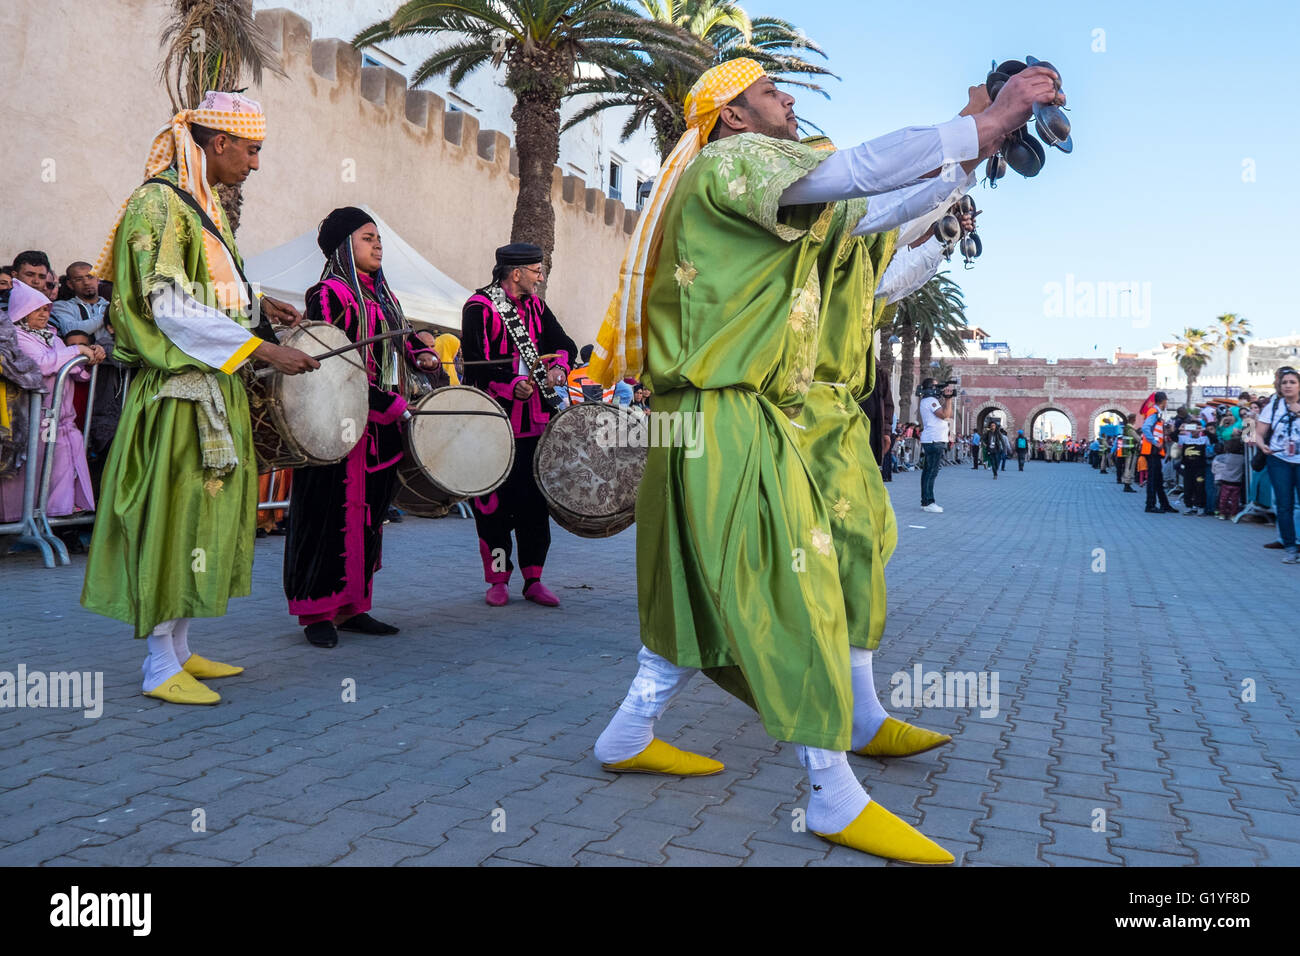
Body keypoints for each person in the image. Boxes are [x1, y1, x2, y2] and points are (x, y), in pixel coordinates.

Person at [586, 57, 1063, 863]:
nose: (789, 98)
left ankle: (626, 733)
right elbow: (859, 171)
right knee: (788, 585)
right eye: (772, 92)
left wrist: (973, 151)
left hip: (727, 414)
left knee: (705, 589)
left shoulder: (759, 190)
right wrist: (982, 123)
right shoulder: (728, 160)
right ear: (731, 115)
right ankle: (832, 794)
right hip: (722, 411)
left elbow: (881, 208)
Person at [80, 91, 318, 706]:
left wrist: (258, 303)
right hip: (177, 399)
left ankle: (180, 648)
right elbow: (167, 304)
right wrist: (264, 350)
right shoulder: (158, 203)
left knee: (198, 521)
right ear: (218, 143)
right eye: (252, 149)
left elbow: (208, 287)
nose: (257, 163)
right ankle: (159, 665)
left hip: (209, 391)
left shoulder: (197, 204)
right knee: (171, 522)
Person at [282, 208, 438, 647]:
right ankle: (316, 611)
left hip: (379, 428)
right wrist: (386, 401)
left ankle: (353, 606)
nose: (378, 245)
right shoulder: (329, 294)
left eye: (379, 239)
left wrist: (421, 355)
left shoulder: (385, 297)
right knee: (327, 517)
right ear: (344, 247)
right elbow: (336, 364)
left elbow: (401, 344)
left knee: (368, 518)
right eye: (368, 238)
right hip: (337, 426)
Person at [461, 242, 576, 607]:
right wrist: (512, 385)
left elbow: (565, 345)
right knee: (493, 504)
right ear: (516, 273)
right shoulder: (479, 307)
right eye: (536, 270)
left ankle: (533, 578)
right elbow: (476, 365)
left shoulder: (538, 308)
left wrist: (558, 367)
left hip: (536, 424)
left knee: (533, 503)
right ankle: (498, 579)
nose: (540, 276)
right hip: (495, 423)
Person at [0, 281, 103, 523]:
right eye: (38, 310)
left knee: (61, 468)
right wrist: (77, 350)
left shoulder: (52, 336)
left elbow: (70, 370)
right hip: (35, 418)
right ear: (23, 311)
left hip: (61, 418)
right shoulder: (17, 337)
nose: (44, 314)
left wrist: (87, 358)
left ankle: (58, 521)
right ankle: (24, 523)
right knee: (35, 470)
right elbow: (43, 364)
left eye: (46, 309)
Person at [1252, 367, 1300, 562]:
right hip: (1279, 459)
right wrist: (1262, 446)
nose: (1288, 386)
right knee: (1284, 504)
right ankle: (1290, 546)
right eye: (1284, 383)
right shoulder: (1274, 405)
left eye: (1292, 382)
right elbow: (1259, 432)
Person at [918, 379, 954, 511]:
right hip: (934, 440)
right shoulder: (931, 401)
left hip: (932, 439)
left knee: (928, 471)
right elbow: (945, 415)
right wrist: (948, 399)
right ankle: (929, 502)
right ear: (931, 388)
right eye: (936, 386)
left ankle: (925, 501)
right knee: (932, 472)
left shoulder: (927, 401)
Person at [50, 262, 110, 338]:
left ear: (98, 279)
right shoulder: (61, 306)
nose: (86, 282)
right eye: (79, 279)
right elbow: (72, 332)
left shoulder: (111, 305)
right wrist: (106, 314)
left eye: (90, 277)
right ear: (70, 284)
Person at [1140, 392, 1175, 514]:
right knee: (1153, 479)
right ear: (1163, 401)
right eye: (1166, 401)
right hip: (1152, 450)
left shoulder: (1156, 414)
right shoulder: (1154, 413)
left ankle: (1164, 504)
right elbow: (1145, 428)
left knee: (1158, 479)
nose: (1167, 403)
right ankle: (1150, 505)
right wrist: (1155, 442)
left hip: (1154, 451)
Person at [1213, 436, 1245, 519]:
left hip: (1226, 480)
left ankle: (1222, 513)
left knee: (1223, 498)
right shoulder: (1242, 458)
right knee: (1235, 500)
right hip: (1237, 481)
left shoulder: (1225, 457)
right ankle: (1233, 514)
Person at [1117, 412, 1140, 493]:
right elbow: (1138, 439)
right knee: (1129, 468)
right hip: (1131, 451)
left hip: (1127, 451)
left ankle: (1126, 483)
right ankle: (1127, 484)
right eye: (1135, 419)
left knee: (1127, 467)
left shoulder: (1126, 428)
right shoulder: (1130, 429)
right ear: (1133, 420)